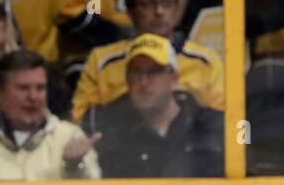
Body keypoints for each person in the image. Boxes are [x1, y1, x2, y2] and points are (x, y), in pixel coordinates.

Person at [72, 0, 224, 121]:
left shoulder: (205, 61)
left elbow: (222, 120)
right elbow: (79, 121)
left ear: (177, 8)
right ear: (130, 11)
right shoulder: (102, 61)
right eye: (148, 4)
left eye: (167, 3)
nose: (159, 11)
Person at [0, 48, 102, 180]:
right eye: (23, 88)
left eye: (40, 88)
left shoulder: (69, 137)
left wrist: (74, 166)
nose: (33, 97)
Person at [93, 33, 223, 177]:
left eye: (154, 72)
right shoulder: (112, 136)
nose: (144, 82)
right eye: (136, 73)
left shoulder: (209, 125)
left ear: (174, 78)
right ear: (127, 80)